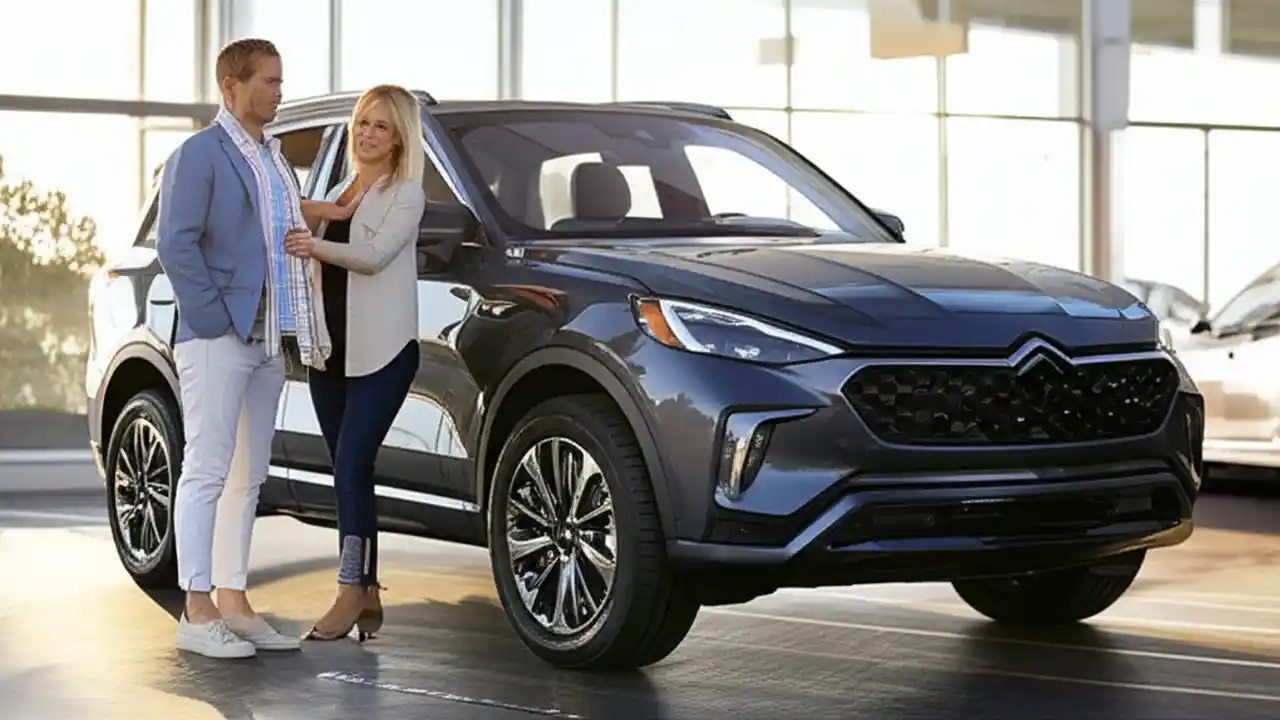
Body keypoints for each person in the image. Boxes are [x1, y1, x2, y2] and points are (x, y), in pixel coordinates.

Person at [156, 38, 331, 659]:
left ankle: (233, 600)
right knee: (206, 468)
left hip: (270, 338)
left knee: (247, 476)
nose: (279, 92)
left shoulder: (276, 159)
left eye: (281, 81)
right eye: (267, 81)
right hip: (219, 335)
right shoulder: (199, 154)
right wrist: (215, 321)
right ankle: (196, 607)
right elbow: (175, 244)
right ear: (231, 86)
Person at [285, 84, 427, 641]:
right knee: (352, 473)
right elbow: (326, 214)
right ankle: (367, 594)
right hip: (330, 356)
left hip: (384, 356)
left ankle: (349, 590)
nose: (367, 133)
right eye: (362, 122)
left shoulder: (407, 195)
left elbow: (372, 257)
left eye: (381, 127)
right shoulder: (343, 192)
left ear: (398, 140)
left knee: (349, 466)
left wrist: (310, 244)